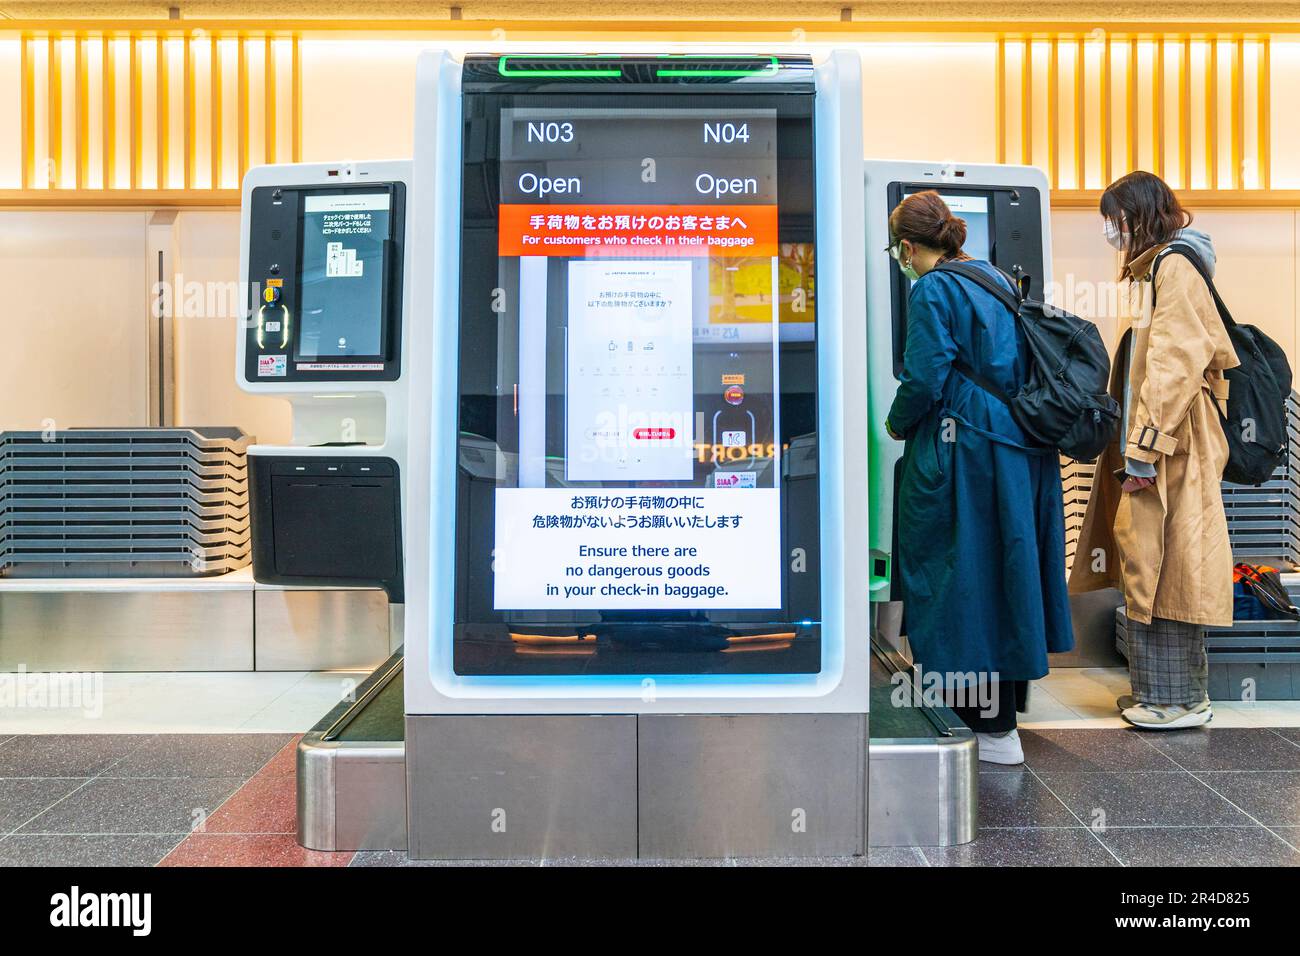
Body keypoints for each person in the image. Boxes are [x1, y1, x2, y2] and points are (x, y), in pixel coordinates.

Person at [885, 190, 1074, 764]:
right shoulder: (995, 277)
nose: (902, 259)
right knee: (1003, 572)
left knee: (956, 574)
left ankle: (978, 730)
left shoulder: (933, 288)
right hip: (1015, 444)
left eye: (901, 250)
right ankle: (1002, 723)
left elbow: (923, 375)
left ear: (910, 246)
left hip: (964, 448)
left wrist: (896, 424)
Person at [1070, 171, 1238, 730]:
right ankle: (1166, 695)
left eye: (1113, 219)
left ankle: (1173, 703)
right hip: (1165, 447)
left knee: (1165, 574)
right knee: (1155, 569)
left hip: (1169, 453)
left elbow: (1172, 365)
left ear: (1137, 217)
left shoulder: (1173, 267)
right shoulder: (1163, 268)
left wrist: (1143, 452)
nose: (1108, 231)